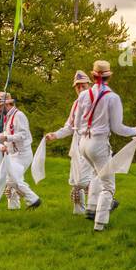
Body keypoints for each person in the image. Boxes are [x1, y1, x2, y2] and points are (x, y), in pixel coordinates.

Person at [77, 59, 136, 232]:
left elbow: (77, 123)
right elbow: (117, 128)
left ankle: (92, 207)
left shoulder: (83, 96)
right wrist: (135, 130)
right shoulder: (112, 97)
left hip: (82, 143)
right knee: (109, 186)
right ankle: (100, 223)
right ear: (109, 77)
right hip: (98, 143)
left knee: (96, 174)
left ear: (92, 75)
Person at [0, 94, 42, 222]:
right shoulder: (8, 117)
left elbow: (22, 135)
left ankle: (33, 198)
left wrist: (6, 138)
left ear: (7, 104)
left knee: (10, 180)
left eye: (0, 106)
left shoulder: (19, 115)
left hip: (22, 154)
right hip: (11, 155)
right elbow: (7, 134)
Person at [46, 70, 93, 214]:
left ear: (89, 85)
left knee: (84, 181)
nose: (80, 89)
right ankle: (79, 212)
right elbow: (69, 127)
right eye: (77, 86)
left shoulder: (96, 100)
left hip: (91, 142)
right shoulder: (76, 104)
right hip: (76, 144)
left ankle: (101, 204)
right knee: (74, 181)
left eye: (82, 85)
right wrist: (55, 135)